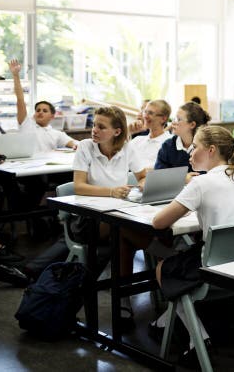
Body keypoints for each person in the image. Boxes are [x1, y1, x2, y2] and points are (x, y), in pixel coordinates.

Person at [152, 125, 234, 360]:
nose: (189, 153)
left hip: (214, 269)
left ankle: (198, 337)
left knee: (163, 265)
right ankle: (165, 321)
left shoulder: (200, 183)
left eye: (194, 148)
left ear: (211, 150)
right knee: (184, 252)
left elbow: (159, 222)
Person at [73, 105, 147, 324]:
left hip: (121, 213)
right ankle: (160, 251)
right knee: (123, 228)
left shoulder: (127, 148)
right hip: (89, 219)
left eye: (101, 126)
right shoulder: (85, 147)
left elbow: (142, 176)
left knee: (123, 238)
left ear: (117, 131)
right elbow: (78, 186)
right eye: (94, 125)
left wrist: (141, 184)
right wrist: (112, 192)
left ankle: (123, 302)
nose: (94, 130)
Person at [9, 59, 76, 152]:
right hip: (26, 164)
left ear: (52, 116)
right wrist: (16, 75)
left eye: (45, 111)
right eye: (38, 110)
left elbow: (74, 143)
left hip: (45, 165)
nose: (40, 112)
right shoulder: (26, 124)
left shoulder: (56, 134)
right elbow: (20, 100)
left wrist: (75, 146)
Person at [154, 101, 211, 175]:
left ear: (192, 124)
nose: (173, 123)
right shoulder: (167, 146)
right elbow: (158, 176)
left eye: (178, 119)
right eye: (174, 119)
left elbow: (210, 175)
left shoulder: (206, 147)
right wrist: (183, 178)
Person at [128, 99, 171, 169]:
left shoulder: (170, 143)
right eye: (145, 112)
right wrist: (128, 132)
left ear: (163, 119)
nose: (145, 116)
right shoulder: (138, 140)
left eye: (150, 113)